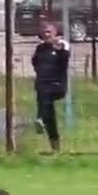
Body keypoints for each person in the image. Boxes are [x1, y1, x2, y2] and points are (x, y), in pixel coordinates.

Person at [31, 24, 70, 153]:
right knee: (49, 115)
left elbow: (64, 61)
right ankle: (55, 145)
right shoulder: (40, 48)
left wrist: (59, 49)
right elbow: (35, 63)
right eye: (44, 32)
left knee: (44, 95)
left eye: (48, 32)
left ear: (55, 33)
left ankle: (40, 117)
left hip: (57, 86)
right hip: (43, 87)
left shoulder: (61, 46)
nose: (46, 35)